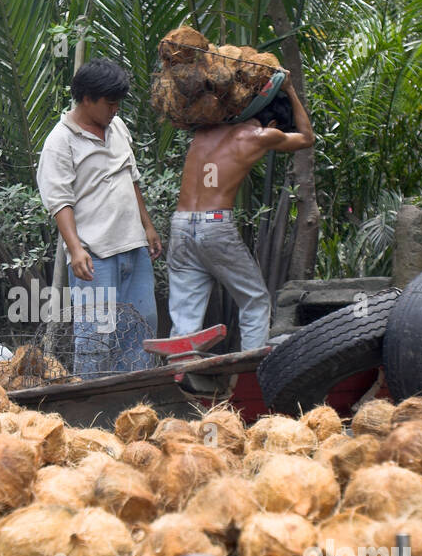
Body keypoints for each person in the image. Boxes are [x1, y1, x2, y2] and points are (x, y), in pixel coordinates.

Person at [168, 67, 314, 351]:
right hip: (214, 225)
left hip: (181, 224)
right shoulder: (259, 135)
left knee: (186, 309)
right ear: (272, 122)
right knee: (255, 300)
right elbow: (307, 138)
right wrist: (290, 90)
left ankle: (182, 372)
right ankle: (250, 370)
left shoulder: (206, 130)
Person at [37, 58, 163, 376]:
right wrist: (75, 249)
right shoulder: (59, 142)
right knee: (96, 335)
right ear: (87, 99)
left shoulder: (117, 127)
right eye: (109, 103)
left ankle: (134, 405)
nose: (115, 109)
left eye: (118, 103)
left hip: (134, 247)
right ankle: (92, 414)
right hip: (94, 257)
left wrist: (147, 227)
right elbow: (59, 202)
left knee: (142, 329)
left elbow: (131, 179)